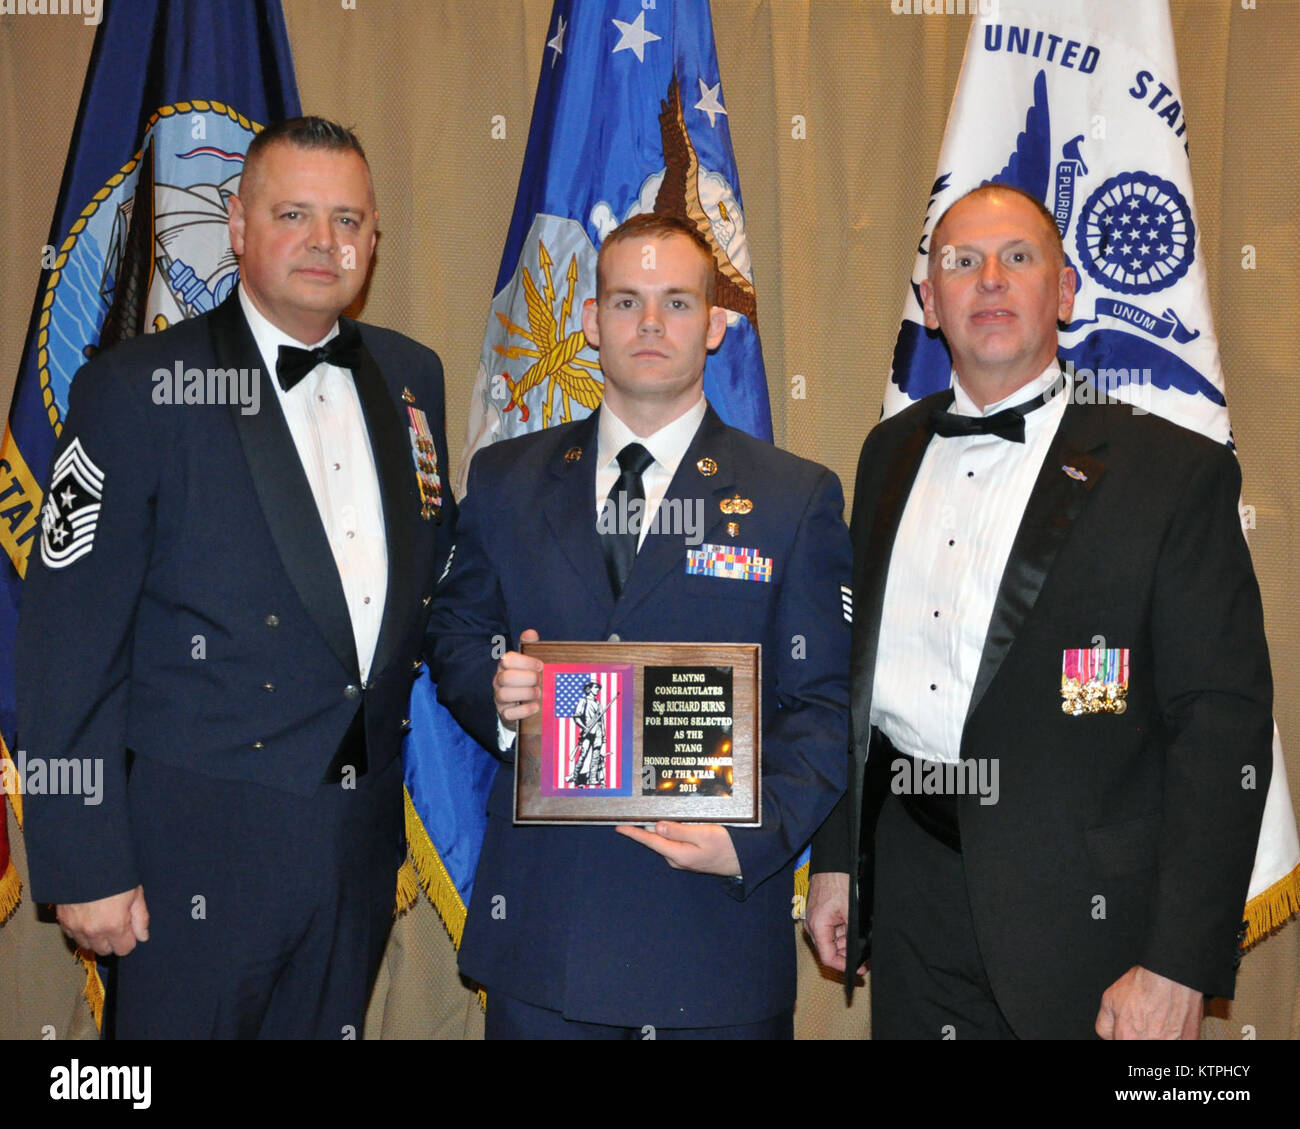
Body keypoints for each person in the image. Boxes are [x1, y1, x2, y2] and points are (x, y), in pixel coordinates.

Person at [16, 116, 457, 1038]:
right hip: (190, 856)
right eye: (293, 212)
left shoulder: (414, 378)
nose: (323, 241)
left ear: (374, 238)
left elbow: (419, 594)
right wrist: (84, 856)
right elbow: (68, 637)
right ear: (236, 221)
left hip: (356, 852)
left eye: (347, 219)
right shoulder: (136, 386)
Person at [807, 183, 1273, 1040]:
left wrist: (1178, 960)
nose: (989, 280)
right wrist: (840, 863)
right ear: (929, 301)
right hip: (912, 902)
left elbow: (1224, 726)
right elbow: (856, 678)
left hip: (1090, 932)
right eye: (962, 262)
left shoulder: (1174, 473)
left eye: (1018, 258)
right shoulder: (888, 452)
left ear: (1062, 292)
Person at [427, 213, 851, 1039]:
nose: (650, 325)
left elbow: (824, 702)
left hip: (712, 935)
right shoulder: (508, 478)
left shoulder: (794, 497)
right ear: (590, 322)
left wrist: (749, 839)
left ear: (717, 324)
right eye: (625, 301)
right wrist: (499, 690)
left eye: (678, 302)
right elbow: (453, 631)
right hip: (549, 934)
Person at [569, 680, 606, 788]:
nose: (597, 689)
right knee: (583, 755)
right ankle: (575, 777)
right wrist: (585, 728)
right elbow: (576, 717)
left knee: (596, 756)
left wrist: (603, 734)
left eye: (598, 688)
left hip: (598, 732)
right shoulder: (583, 701)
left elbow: (601, 720)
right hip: (587, 732)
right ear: (589, 689)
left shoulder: (598, 703)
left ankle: (593, 779)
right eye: (595, 687)